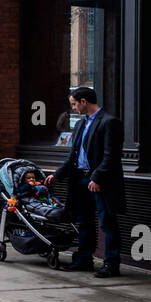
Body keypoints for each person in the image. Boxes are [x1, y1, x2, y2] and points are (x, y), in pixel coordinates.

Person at [47, 87, 125, 277]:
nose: (73, 108)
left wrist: (97, 177)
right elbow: (73, 155)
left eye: (74, 104)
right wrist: (57, 175)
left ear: (84, 102)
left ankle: (111, 264)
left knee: (107, 222)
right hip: (80, 180)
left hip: (100, 182)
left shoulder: (109, 122)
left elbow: (111, 156)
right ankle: (84, 259)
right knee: (84, 221)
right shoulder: (81, 124)